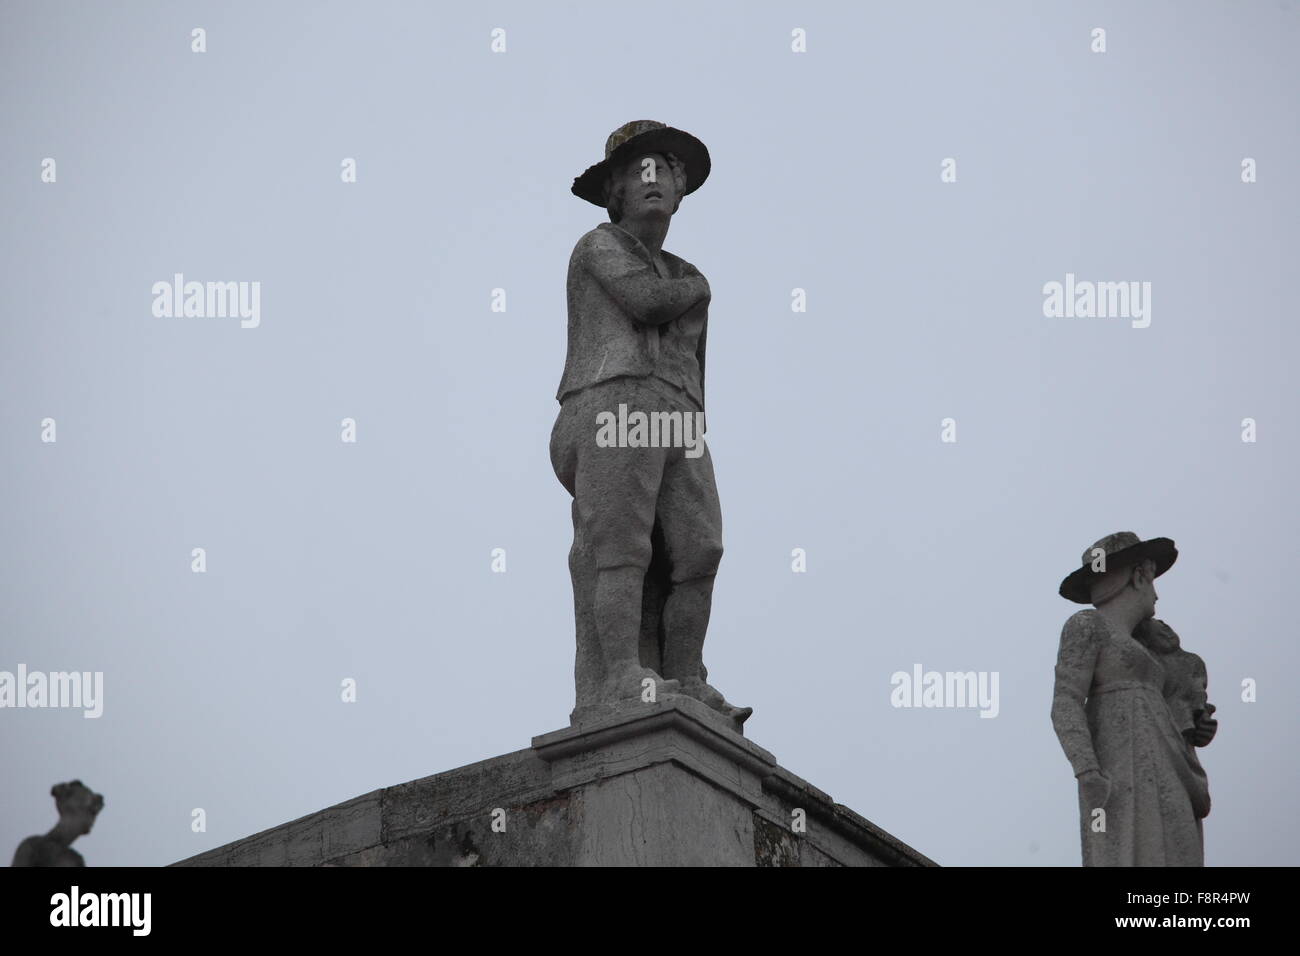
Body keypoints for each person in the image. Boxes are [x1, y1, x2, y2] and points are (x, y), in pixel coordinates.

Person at [552, 120, 749, 725]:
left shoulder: (685, 271)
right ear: (615, 189)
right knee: (623, 545)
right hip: (611, 402)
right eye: (640, 170)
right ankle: (618, 675)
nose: (653, 180)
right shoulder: (601, 246)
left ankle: (686, 674)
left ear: (680, 185)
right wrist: (697, 288)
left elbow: (698, 363)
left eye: (664, 169)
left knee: (701, 548)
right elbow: (645, 303)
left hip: (678, 416)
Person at [1051, 532, 1214, 866]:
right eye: (1152, 580)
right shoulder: (1088, 626)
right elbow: (1065, 701)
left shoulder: (1152, 648)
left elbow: (1178, 700)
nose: (1156, 593)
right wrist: (1087, 770)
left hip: (1169, 763)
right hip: (1121, 764)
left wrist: (1193, 727)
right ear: (1138, 576)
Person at [11, 780, 104, 867]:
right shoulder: (33, 847)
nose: (93, 820)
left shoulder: (31, 845)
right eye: (92, 812)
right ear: (77, 809)